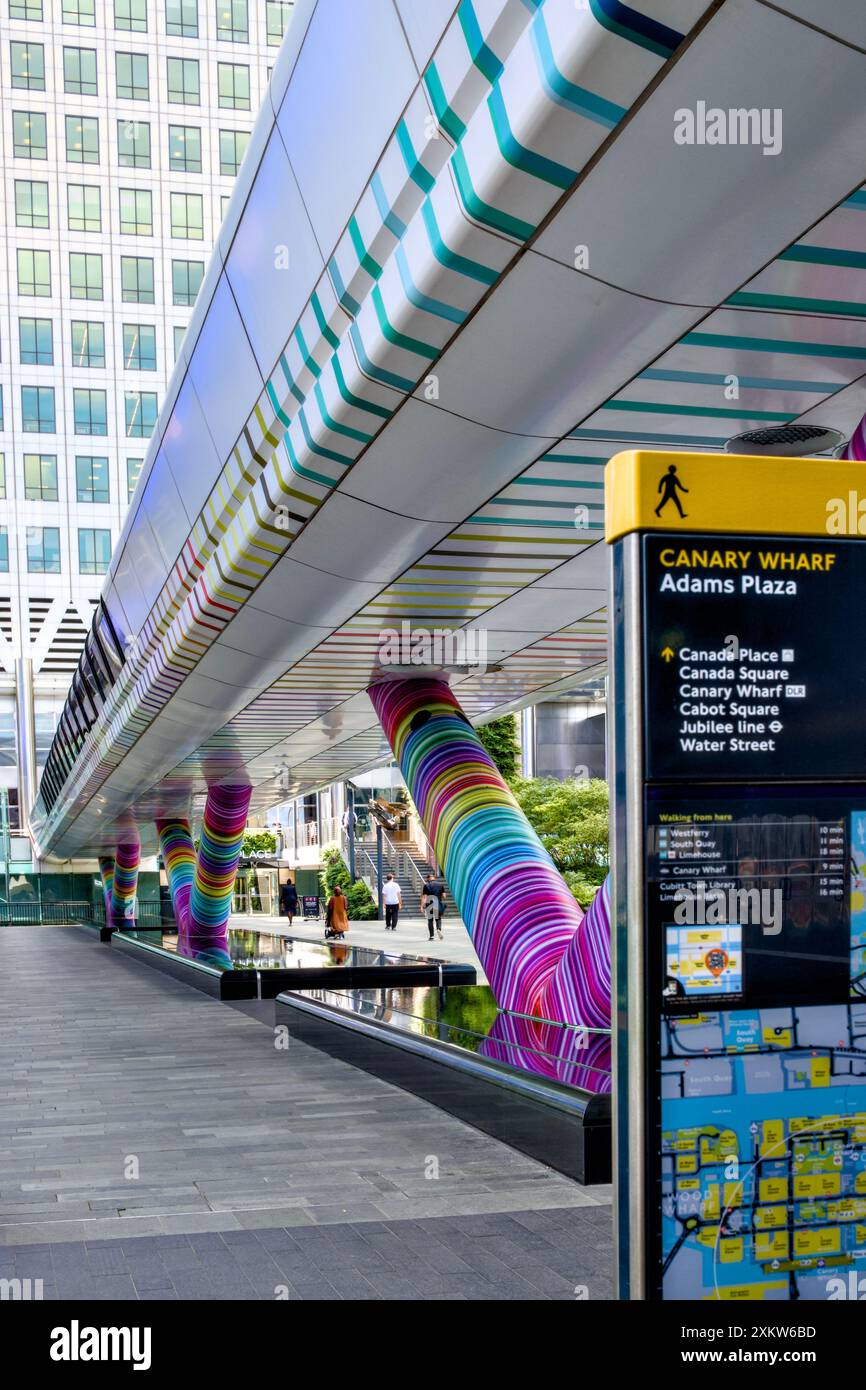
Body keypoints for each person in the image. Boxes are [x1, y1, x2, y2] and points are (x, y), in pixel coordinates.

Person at [421, 873, 446, 942]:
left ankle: (431, 936)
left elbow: (424, 897)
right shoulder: (440, 885)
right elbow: (444, 896)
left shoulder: (426, 885)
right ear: (434, 878)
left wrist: (422, 906)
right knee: (438, 918)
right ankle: (438, 929)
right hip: (437, 903)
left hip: (429, 904)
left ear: (428, 878)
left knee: (430, 920)